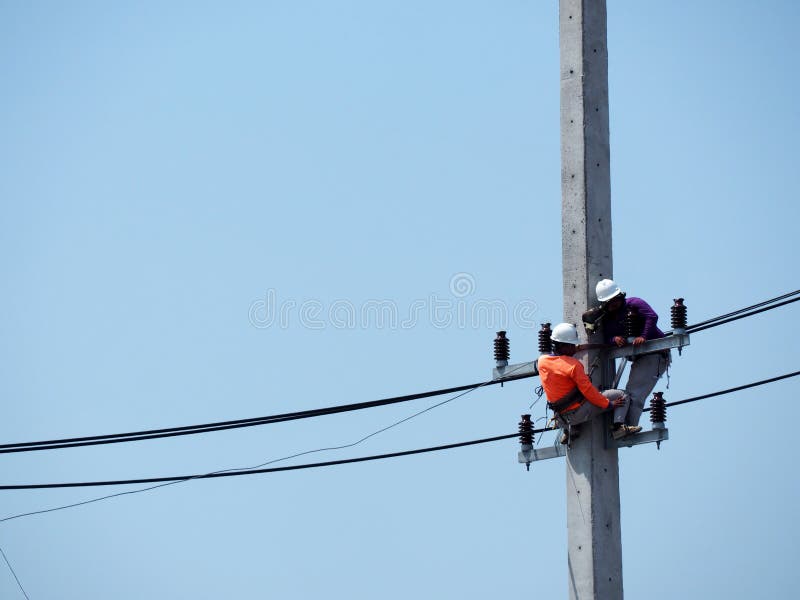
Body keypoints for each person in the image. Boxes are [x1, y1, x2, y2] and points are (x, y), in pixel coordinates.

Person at [538, 323, 641, 444]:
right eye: (571, 345)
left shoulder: (542, 361)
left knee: (569, 396)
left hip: (561, 418)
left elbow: (560, 375)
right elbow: (588, 391)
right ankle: (618, 428)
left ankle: (571, 431)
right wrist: (608, 404)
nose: (574, 348)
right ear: (563, 346)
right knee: (622, 395)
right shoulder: (573, 365)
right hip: (577, 414)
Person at [594, 278, 670, 427]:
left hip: (655, 354)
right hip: (639, 358)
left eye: (615, 299)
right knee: (628, 394)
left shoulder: (634, 303)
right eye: (609, 302)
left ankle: (628, 426)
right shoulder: (610, 318)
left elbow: (652, 316)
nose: (613, 303)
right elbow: (606, 337)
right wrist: (614, 339)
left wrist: (644, 336)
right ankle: (622, 424)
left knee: (635, 395)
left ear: (620, 296)